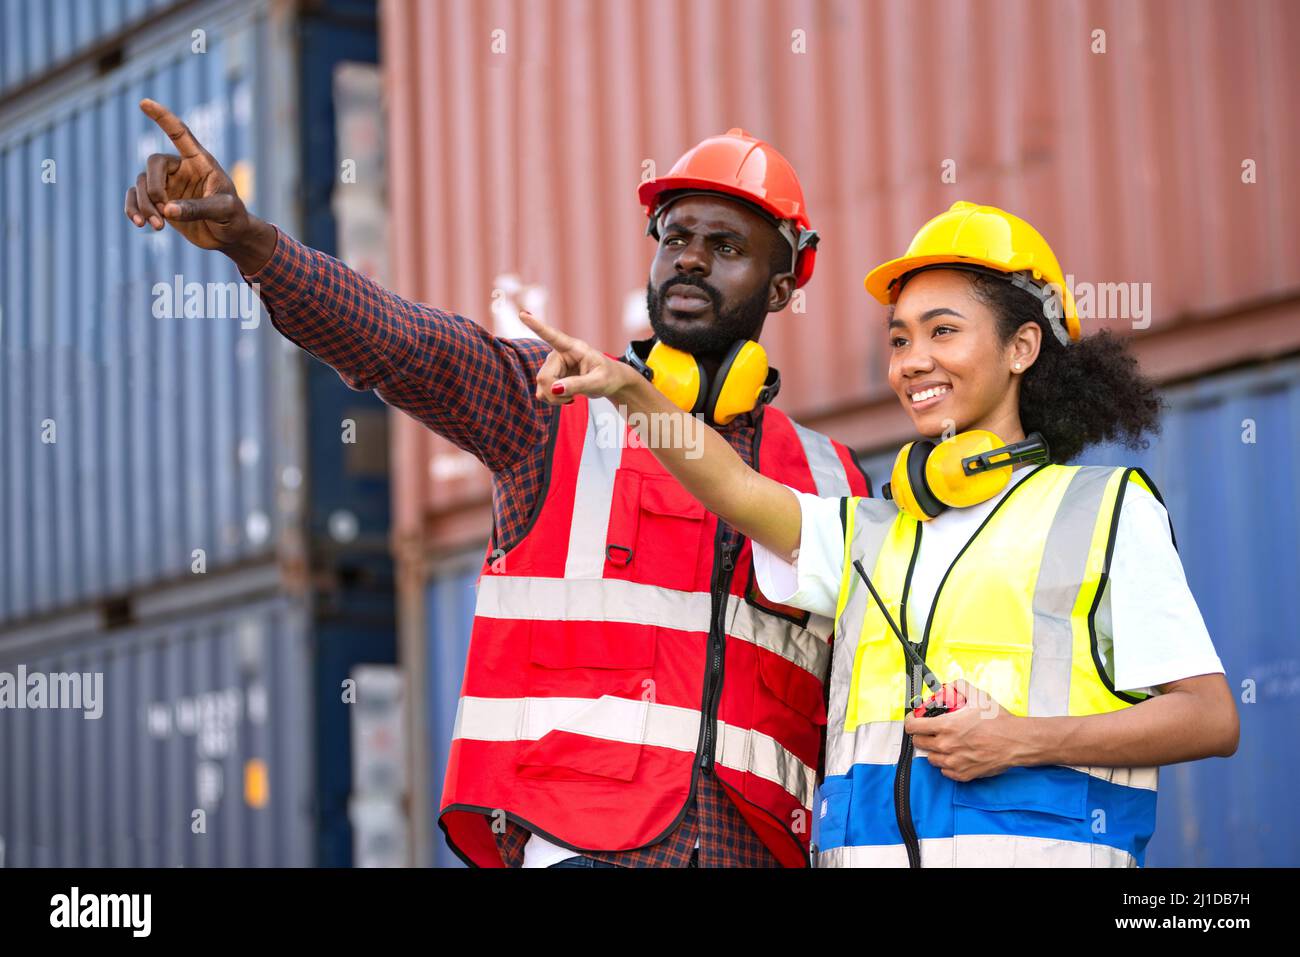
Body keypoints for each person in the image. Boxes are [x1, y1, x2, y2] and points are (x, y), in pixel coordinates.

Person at [124, 102, 869, 867]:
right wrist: (254, 246)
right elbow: (399, 342)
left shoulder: (829, 480)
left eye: (725, 246)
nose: (689, 259)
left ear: (781, 288)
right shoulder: (550, 406)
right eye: (674, 236)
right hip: (582, 846)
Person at [519, 200, 1240, 867]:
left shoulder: (1103, 509)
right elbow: (736, 489)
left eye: (943, 331)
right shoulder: (868, 531)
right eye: (900, 338)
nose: (912, 361)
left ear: (1023, 347)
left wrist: (1023, 738)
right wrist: (631, 390)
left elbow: (1210, 717)